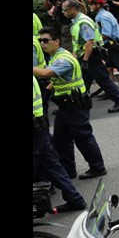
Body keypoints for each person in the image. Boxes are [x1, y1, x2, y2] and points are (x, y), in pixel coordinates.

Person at [34, 27, 108, 180]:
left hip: (75, 104)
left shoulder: (63, 58)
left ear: (57, 41)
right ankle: (69, 170)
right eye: (40, 41)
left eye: (46, 40)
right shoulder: (54, 57)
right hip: (65, 104)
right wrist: (48, 90)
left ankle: (97, 167)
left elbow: (47, 73)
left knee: (83, 136)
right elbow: (57, 79)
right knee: (61, 138)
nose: (42, 44)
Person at [33, 73, 87, 213]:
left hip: (35, 129)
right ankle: (74, 199)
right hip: (39, 125)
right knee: (52, 165)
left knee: (49, 165)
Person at [65, 0, 119, 113]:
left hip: (90, 56)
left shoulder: (83, 22)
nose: (63, 13)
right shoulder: (77, 21)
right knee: (84, 81)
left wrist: (85, 60)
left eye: (65, 10)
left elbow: (90, 41)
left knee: (103, 80)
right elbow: (78, 42)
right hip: (85, 56)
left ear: (73, 9)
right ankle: (77, 103)